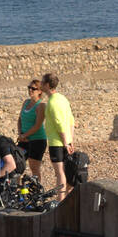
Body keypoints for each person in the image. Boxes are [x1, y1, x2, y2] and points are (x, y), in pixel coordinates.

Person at [40, 72, 75, 201]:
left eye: (42, 82)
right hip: (67, 140)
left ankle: (61, 201)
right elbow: (71, 120)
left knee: (60, 173)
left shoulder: (53, 102)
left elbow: (59, 123)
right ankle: (66, 199)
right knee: (66, 172)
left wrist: (66, 142)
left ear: (48, 85)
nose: (41, 85)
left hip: (57, 143)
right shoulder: (63, 98)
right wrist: (70, 140)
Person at [17, 77, 47, 181]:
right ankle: (15, 190)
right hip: (24, 139)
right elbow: (20, 119)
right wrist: (20, 134)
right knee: (17, 164)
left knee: (34, 168)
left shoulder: (41, 106)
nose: (30, 90)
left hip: (37, 139)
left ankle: (37, 192)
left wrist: (24, 135)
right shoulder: (26, 102)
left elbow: (38, 125)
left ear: (39, 91)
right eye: (29, 88)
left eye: (33, 89)